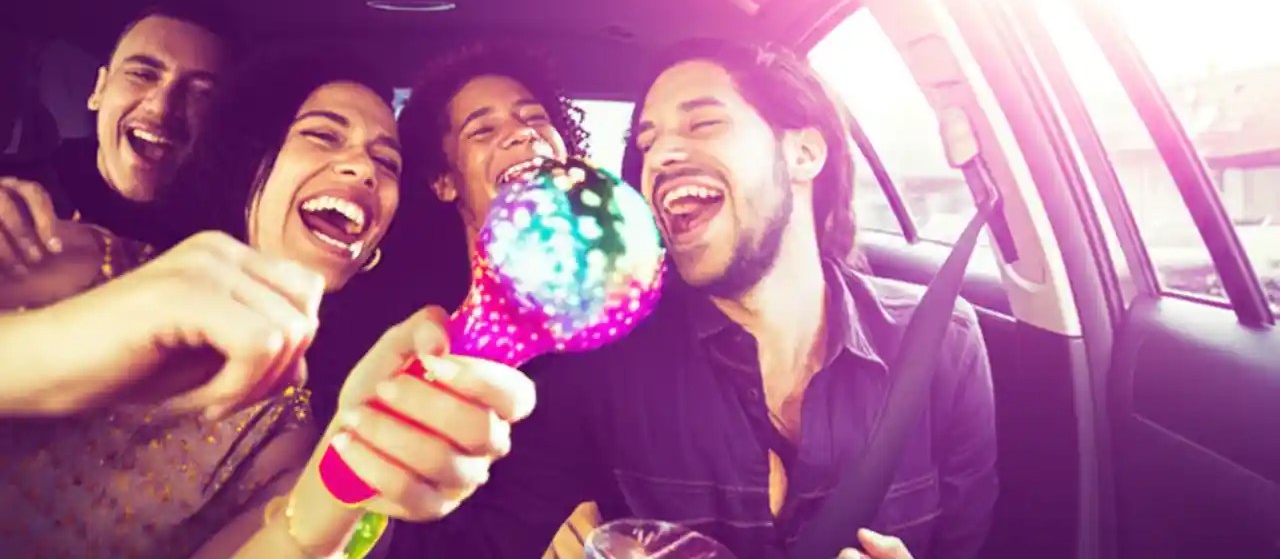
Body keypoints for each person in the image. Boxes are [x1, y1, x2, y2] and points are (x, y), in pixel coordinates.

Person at [391, 39, 998, 559]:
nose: (660, 156)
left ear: (805, 152)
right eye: (647, 142)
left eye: (702, 122)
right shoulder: (599, 369)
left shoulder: (941, 343)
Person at [0, 48, 534, 559]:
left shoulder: (289, 439)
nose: (363, 169)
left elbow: (297, 529)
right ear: (251, 161)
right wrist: (82, 338)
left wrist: (341, 484)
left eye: (386, 162)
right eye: (323, 135)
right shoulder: (87, 259)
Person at [360, 41, 600, 558]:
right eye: (483, 130)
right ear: (445, 182)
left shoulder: (623, 329)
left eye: (534, 118)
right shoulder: (410, 338)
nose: (522, 133)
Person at [0, 4, 232, 271]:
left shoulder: (225, 252)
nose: (161, 108)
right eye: (142, 74)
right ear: (98, 89)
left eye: (201, 93)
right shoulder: (13, 200)